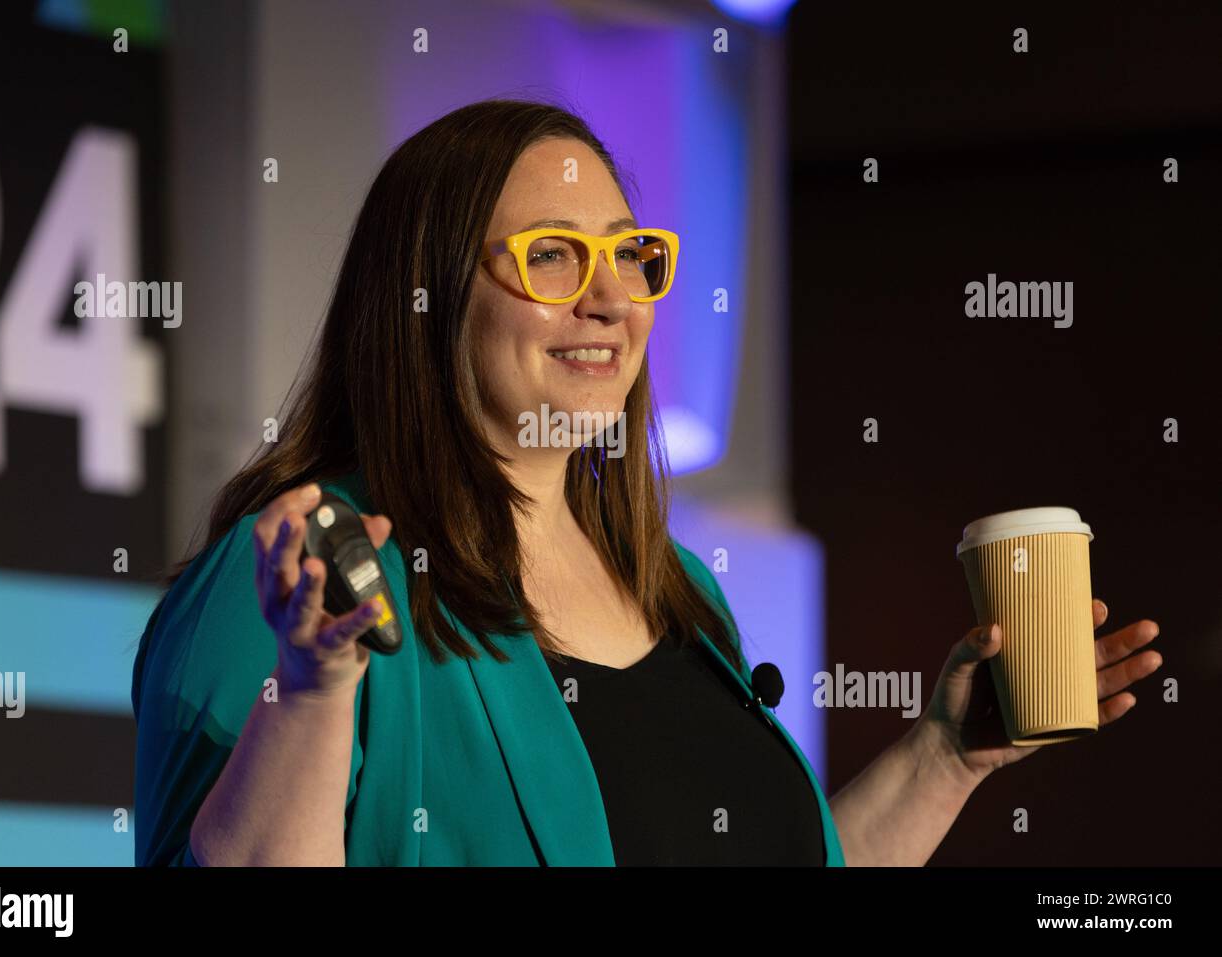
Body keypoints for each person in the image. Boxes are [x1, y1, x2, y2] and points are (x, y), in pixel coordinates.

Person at [131, 99, 1164, 867]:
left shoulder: (675, 589)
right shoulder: (304, 572)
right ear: (425, 300)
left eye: (630, 257)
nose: (609, 301)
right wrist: (312, 692)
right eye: (551, 258)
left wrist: (944, 757)